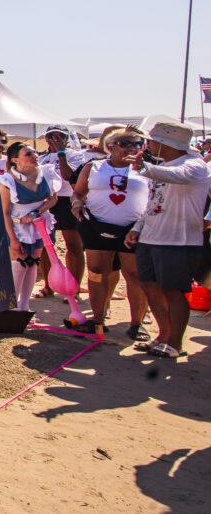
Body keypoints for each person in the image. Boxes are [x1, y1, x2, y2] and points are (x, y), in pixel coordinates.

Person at [124, 116, 211, 358]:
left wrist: (145, 167)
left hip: (178, 241)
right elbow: (153, 201)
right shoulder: (164, 165)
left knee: (173, 291)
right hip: (151, 237)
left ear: (166, 144)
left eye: (152, 141)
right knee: (150, 286)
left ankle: (175, 343)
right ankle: (163, 335)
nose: (148, 145)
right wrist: (138, 227)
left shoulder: (194, 165)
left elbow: (178, 175)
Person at [72, 126, 149, 335]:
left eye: (137, 143)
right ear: (111, 146)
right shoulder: (94, 167)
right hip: (97, 227)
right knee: (97, 273)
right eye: (125, 143)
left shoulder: (147, 169)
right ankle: (97, 321)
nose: (132, 147)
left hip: (133, 230)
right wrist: (76, 204)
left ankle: (137, 324)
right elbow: (78, 193)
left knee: (134, 274)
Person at [0, 142, 58, 315]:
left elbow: (53, 199)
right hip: (17, 227)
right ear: (15, 160)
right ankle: (11, 308)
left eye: (34, 153)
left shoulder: (46, 173)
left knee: (32, 264)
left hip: (39, 224)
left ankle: (24, 307)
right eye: (28, 154)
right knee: (19, 264)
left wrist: (36, 213)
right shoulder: (7, 180)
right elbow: (5, 212)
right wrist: (13, 239)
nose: (35, 157)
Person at [38, 125, 87, 296]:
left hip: (68, 200)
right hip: (48, 202)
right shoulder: (41, 158)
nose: (56, 139)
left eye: (61, 136)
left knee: (73, 245)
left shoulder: (76, 155)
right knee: (46, 246)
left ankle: (74, 288)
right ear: (46, 138)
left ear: (67, 139)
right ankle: (48, 285)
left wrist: (61, 153)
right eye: (52, 136)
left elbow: (69, 176)